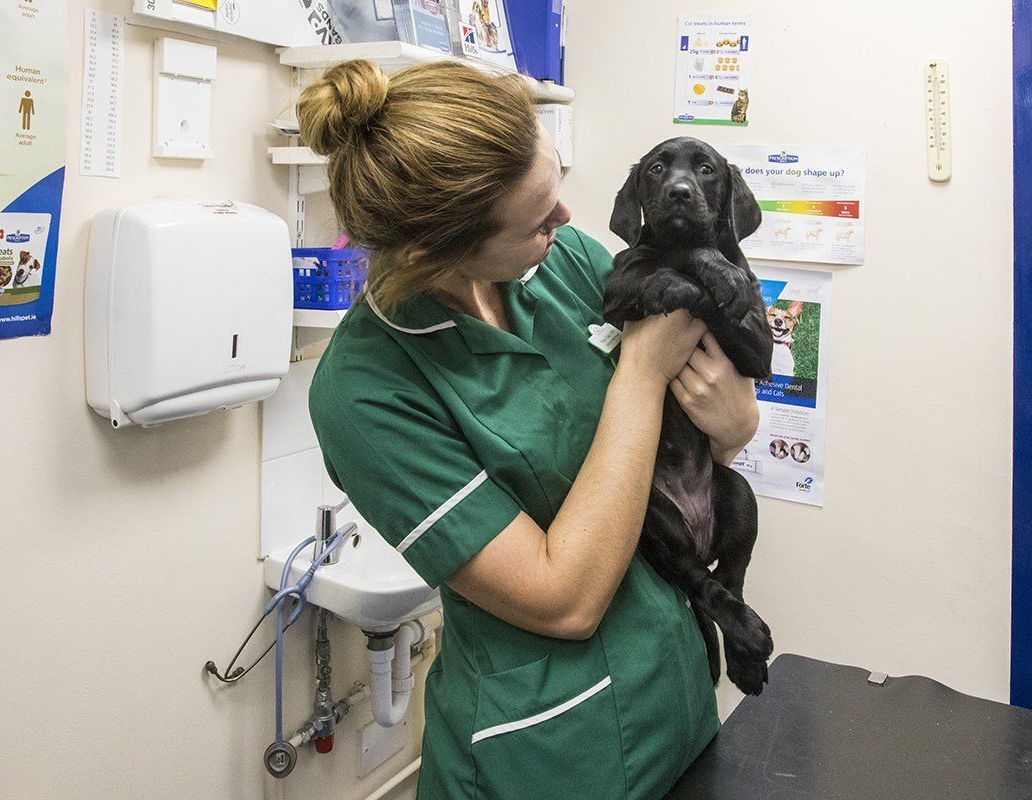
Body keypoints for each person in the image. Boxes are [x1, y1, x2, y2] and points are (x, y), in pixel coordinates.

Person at [298, 59, 759, 800]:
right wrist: (642, 370)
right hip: (545, 756)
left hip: (677, 695)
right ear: (430, 250)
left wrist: (736, 422)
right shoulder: (366, 391)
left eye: (556, 193)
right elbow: (562, 599)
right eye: (539, 220)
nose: (567, 222)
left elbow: (689, 439)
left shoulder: (563, 262)